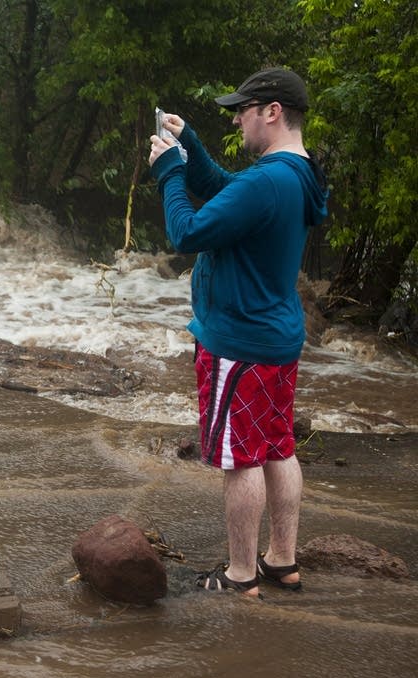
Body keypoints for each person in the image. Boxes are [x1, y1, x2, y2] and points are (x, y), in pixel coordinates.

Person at [147, 68, 329, 598]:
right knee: (278, 447)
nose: (235, 119)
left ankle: (241, 574)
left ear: (272, 112)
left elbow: (187, 233)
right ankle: (282, 560)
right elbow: (230, 192)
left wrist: (169, 172)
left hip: (240, 343)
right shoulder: (300, 174)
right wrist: (191, 147)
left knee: (241, 458)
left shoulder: (267, 181)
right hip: (276, 337)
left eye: (242, 110)